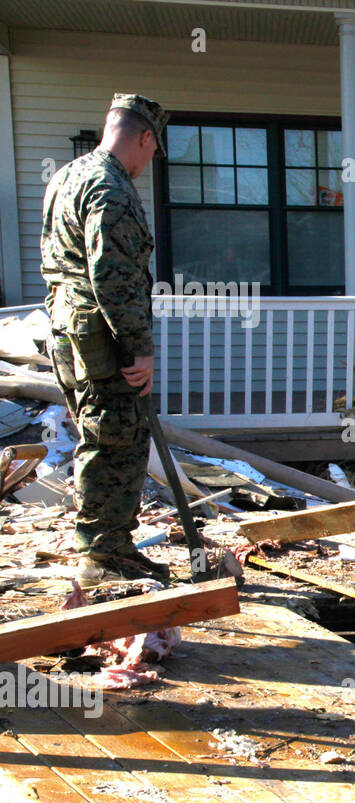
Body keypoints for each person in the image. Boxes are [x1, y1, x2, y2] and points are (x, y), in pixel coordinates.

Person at [41, 93, 171, 586]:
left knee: (104, 435)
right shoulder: (109, 188)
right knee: (114, 440)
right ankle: (100, 556)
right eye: (152, 152)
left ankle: (112, 545)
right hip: (103, 338)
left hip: (70, 329)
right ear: (144, 137)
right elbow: (112, 277)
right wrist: (140, 349)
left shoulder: (68, 176)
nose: (148, 164)